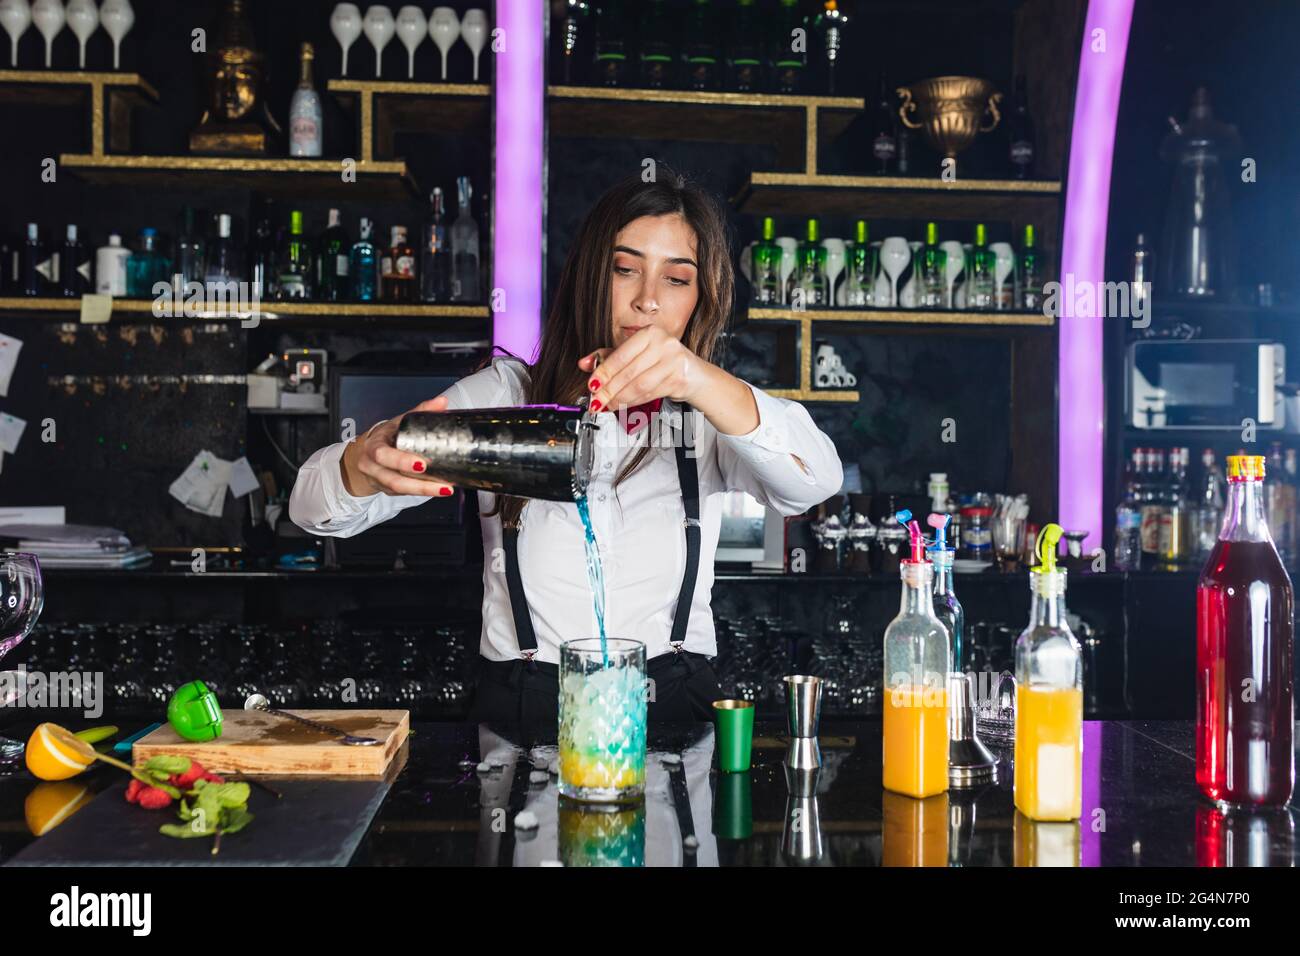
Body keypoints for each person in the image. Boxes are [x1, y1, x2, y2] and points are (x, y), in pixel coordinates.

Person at [289, 166, 843, 724]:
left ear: (700, 297)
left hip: (672, 711)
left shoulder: (710, 416)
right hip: (526, 713)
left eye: (677, 279)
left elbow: (814, 482)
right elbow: (312, 512)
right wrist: (363, 463)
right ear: (589, 277)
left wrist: (697, 382)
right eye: (625, 269)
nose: (648, 300)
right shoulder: (508, 395)